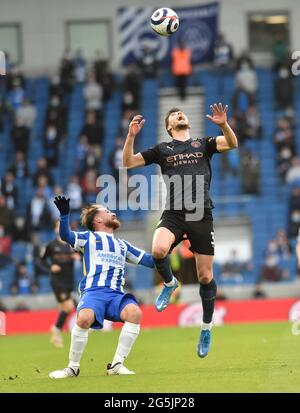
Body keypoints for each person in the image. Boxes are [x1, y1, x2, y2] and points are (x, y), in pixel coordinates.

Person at [122, 103, 238, 358]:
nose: (179, 114)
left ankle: (206, 328)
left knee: (205, 276)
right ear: (169, 126)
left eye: (181, 113)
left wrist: (223, 125)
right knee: (158, 249)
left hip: (201, 213)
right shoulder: (162, 150)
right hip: (174, 212)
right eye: (174, 115)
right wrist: (131, 136)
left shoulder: (203, 144)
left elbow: (232, 143)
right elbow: (128, 162)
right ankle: (170, 282)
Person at [49, 196, 154, 378]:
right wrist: (65, 215)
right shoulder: (88, 238)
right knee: (84, 318)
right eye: (107, 211)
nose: (112, 213)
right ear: (97, 220)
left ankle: (117, 364)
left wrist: (169, 244)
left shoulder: (123, 245)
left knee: (135, 313)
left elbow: (151, 261)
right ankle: (72, 368)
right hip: (94, 292)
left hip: (116, 295)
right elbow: (66, 236)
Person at [40, 220, 80, 348]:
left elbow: (83, 255)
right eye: (59, 226)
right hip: (57, 281)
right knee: (69, 307)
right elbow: (40, 261)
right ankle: (56, 328)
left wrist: (78, 257)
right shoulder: (51, 245)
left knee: (65, 309)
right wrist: (50, 267)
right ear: (55, 229)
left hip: (69, 281)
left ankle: (56, 334)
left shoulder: (72, 245)